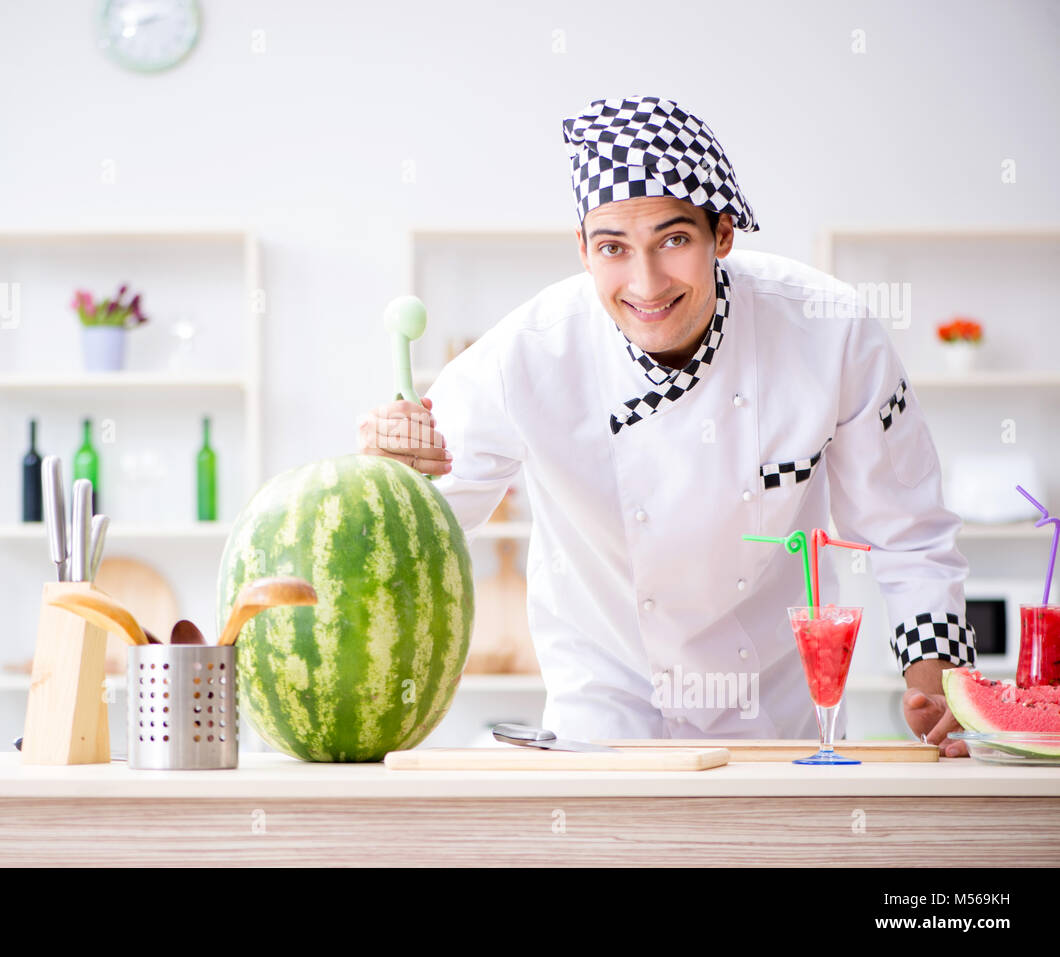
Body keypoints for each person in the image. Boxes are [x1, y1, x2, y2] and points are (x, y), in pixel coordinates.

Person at [357, 96, 975, 756]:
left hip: (777, 719)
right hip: (603, 720)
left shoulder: (830, 329)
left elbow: (908, 531)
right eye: (613, 248)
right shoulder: (526, 354)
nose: (646, 282)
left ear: (724, 234)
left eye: (673, 239)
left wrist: (935, 689)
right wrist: (388, 467)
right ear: (583, 250)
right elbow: (420, 529)